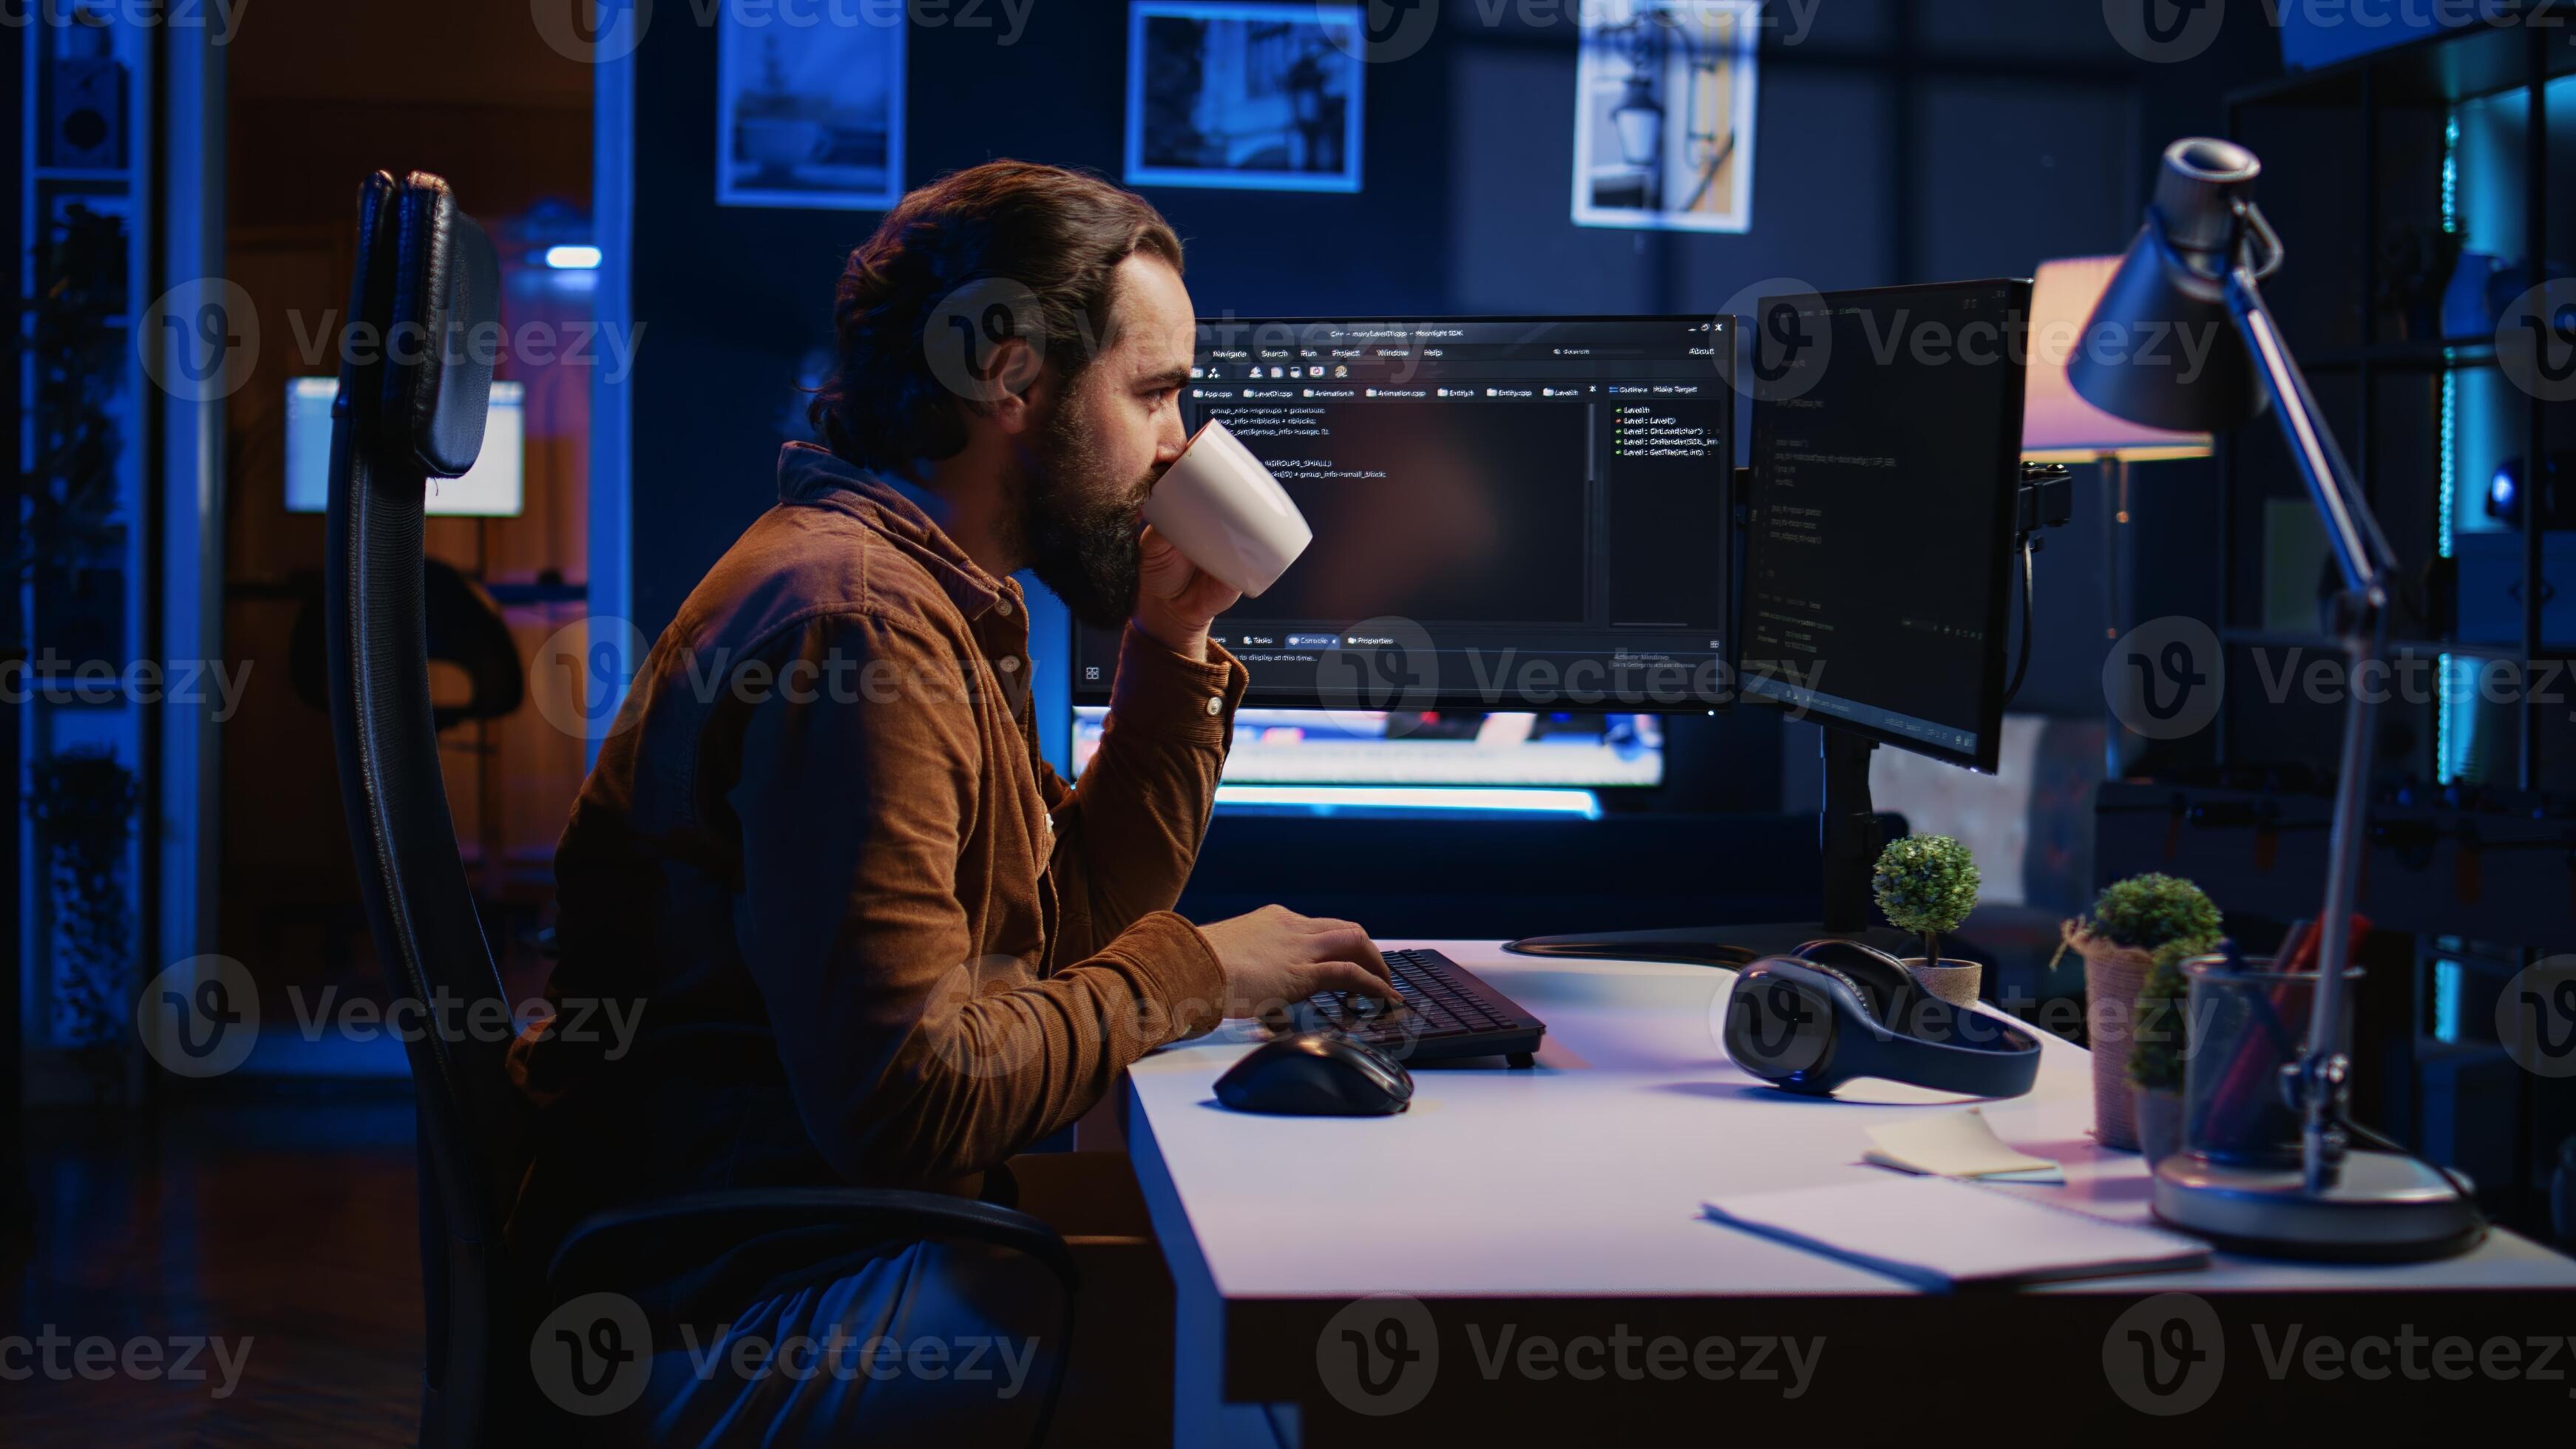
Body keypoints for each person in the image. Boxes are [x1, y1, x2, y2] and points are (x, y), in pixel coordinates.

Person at [506, 160, 1395, 1440]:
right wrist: (1201, 972)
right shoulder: (862, 628)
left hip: (766, 1252)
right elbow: (909, 1108)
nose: (1178, 443)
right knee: (1238, 1336)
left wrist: (1168, 652)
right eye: (1154, 393)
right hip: (726, 1305)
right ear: (1010, 378)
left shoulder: (925, 590)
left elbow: (1065, 928)